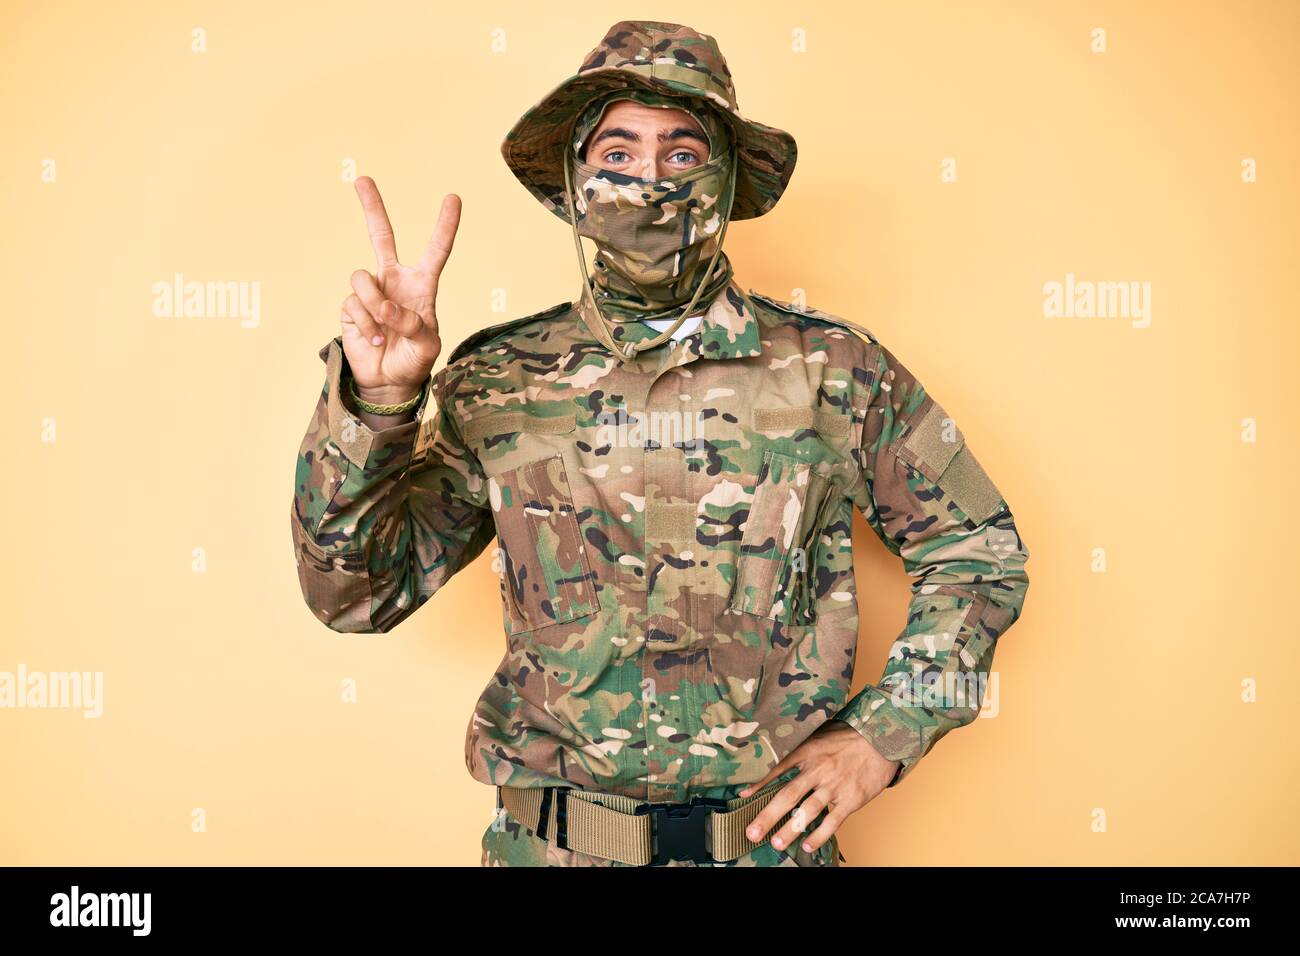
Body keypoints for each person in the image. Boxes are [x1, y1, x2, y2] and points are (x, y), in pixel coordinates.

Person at [290, 19, 1030, 868]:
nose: (648, 179)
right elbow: (352, 596)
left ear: (724, 180)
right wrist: (379, 402)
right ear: (574, 183)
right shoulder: (499, 381)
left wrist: (885, 736)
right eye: (617, 153)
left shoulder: (833, 371)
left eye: (683, 154)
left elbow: (982, 554)